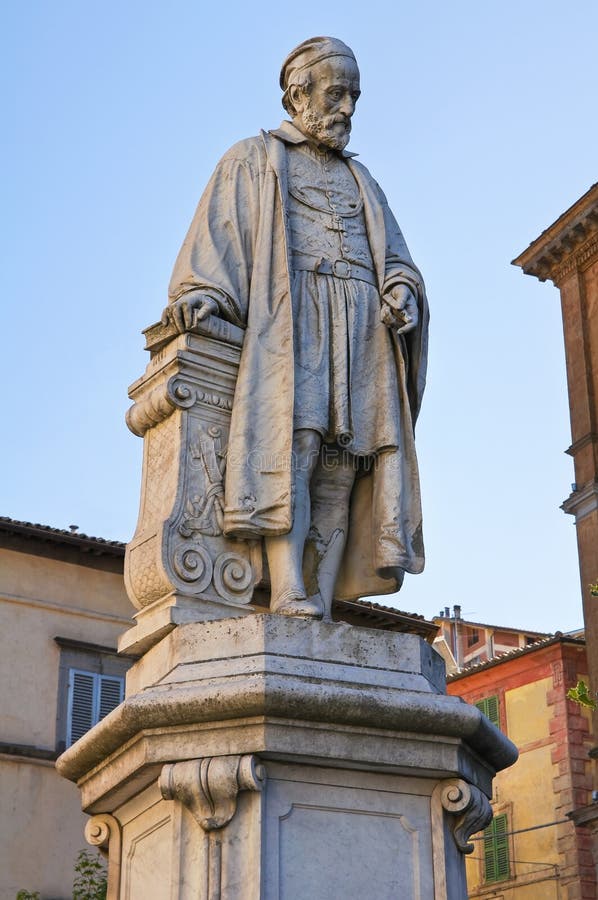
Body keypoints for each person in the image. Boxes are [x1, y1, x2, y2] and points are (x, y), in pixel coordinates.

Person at [163, 36, 429, 620]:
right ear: (297, 95)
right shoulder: (251, 158)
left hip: (362, 328)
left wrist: (402, 290)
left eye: (354, 96)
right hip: (291, 324)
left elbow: (398, 259)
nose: (347, 108)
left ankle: (321, 601)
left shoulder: (364, 181)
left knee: (344, 465)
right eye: (336, 94)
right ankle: (287, 589)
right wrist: (204, 293)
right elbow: (217, 241)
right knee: (297, 449)